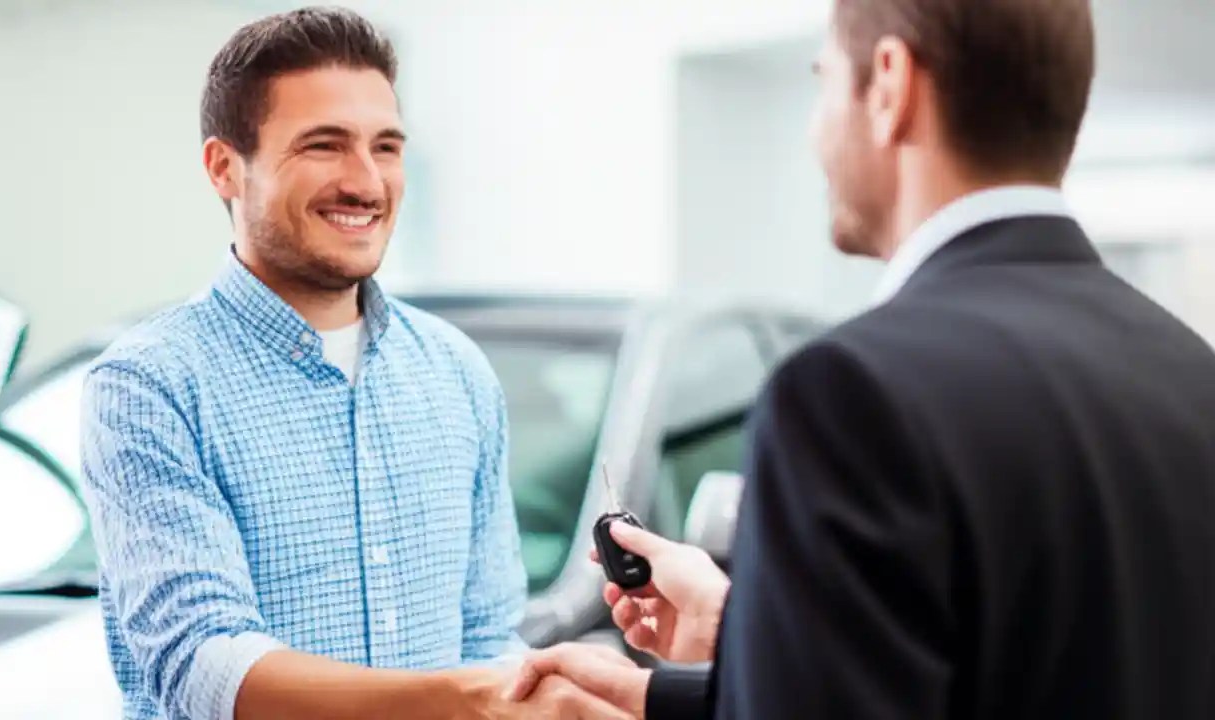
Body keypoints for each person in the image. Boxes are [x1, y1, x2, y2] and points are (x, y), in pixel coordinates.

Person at [510, 0, 1215, 718]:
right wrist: (728, 648)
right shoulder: (1193, 373)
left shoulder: (848, 395)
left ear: (888, 85)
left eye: (824, 85)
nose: (816, 133)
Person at [79, 8, 626, 720]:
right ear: (224, 168)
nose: (366, 182)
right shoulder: (150, 385)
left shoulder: (457, 372)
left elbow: (490, 638)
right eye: (323, 145)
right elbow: (203, 667)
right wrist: (469, 701)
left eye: (386, 146)